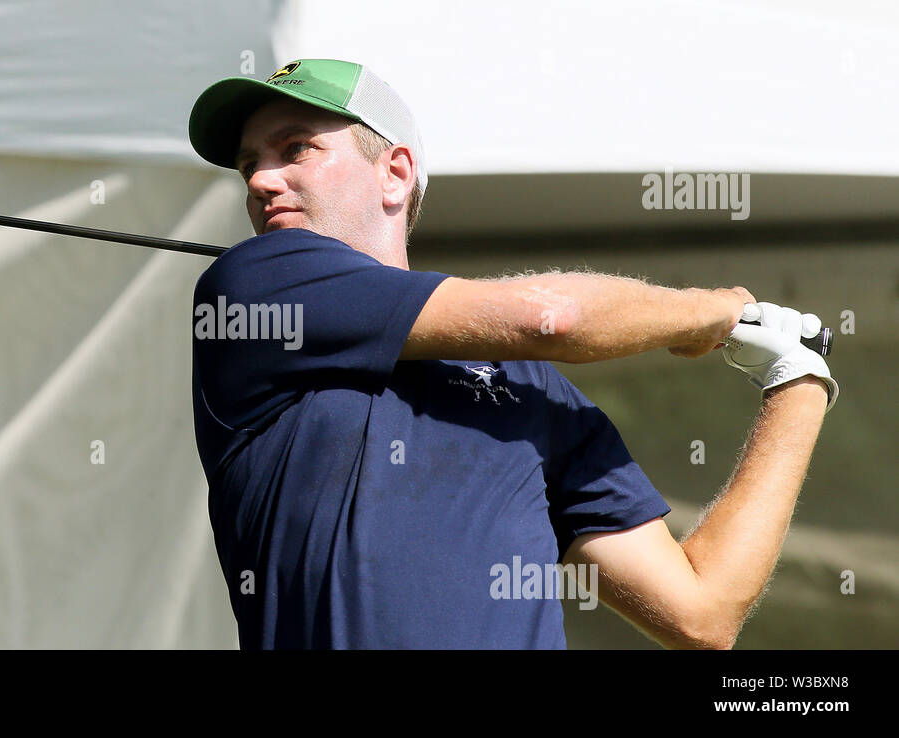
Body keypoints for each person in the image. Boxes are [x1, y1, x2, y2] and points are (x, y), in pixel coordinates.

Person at [185, 58, 838, 649]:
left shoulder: (531, 388)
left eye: (295, 147)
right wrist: (709, 310)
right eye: (249, 164)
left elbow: (702, 612)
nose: (263, 180)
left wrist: (799, 380)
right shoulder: (257, 285)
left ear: (395, 172)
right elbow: (553, 316)